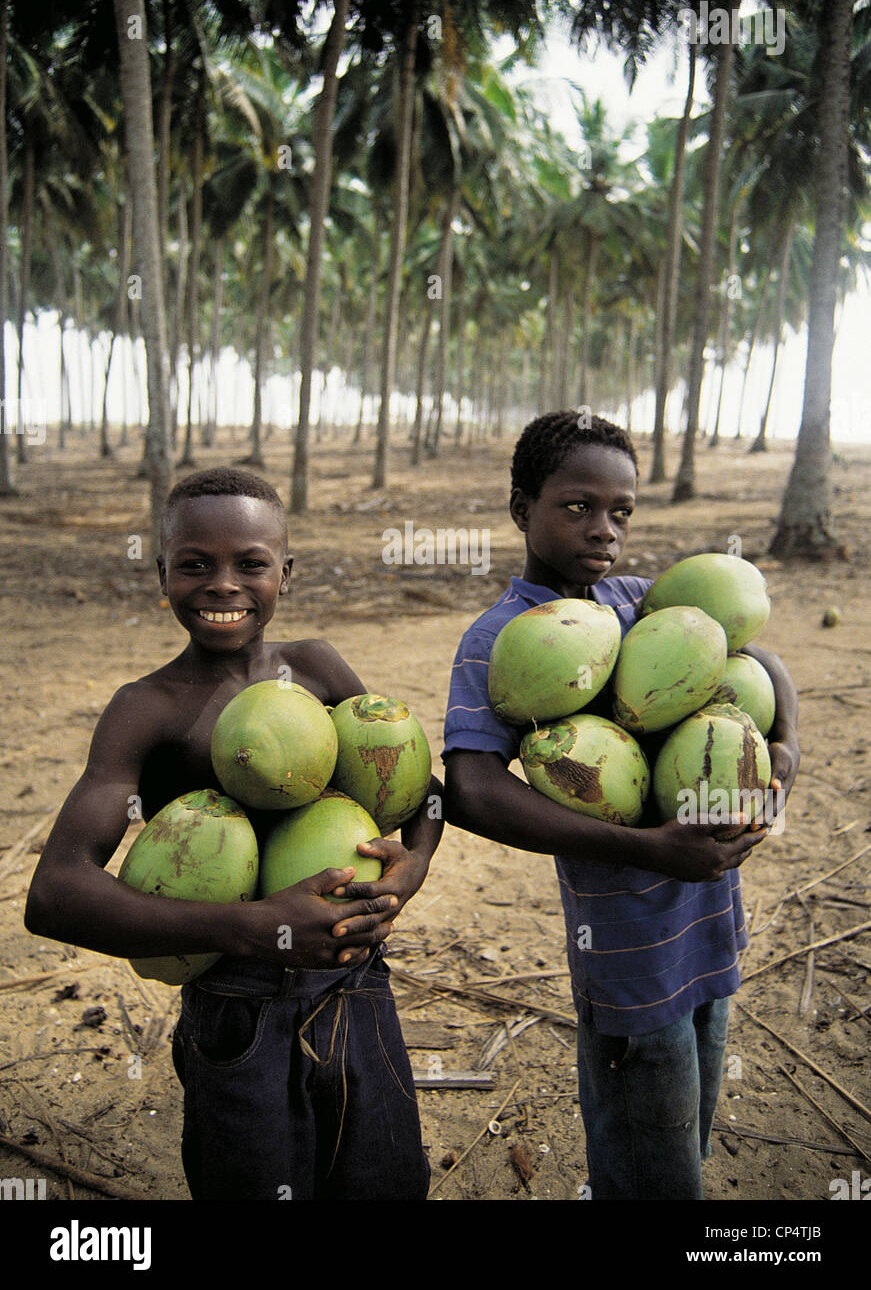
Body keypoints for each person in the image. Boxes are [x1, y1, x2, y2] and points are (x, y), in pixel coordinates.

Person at [26, 467, 441, 1201]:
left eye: (250, 563)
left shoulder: (314, 669)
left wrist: (413, 864)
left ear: (286, 571)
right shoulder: (145, 710)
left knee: (381, 1176)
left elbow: (424, 796)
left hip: (354, 983)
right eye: (194, 564)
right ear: (161, 573)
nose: (223, 584)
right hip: (233, 1004)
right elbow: (56, 893)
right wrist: (252, 928)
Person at [442, 412, 800, 1200]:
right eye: (576, 506)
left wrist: (785, 749)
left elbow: (752, 654)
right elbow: (470, 788)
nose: (602, 529)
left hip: (707, 925)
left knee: (689, 1123)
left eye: (620, 511)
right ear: (520, 507)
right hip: (627, 949)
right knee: (649, 1153)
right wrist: (646, 848)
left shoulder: (641, 602)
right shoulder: (501, 636)